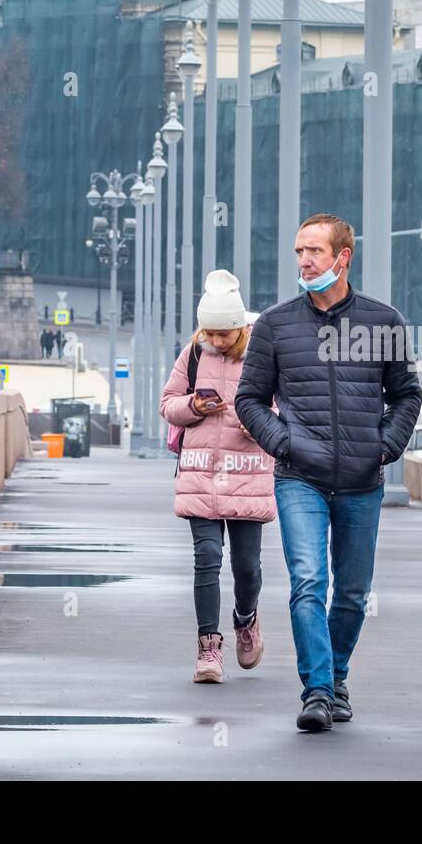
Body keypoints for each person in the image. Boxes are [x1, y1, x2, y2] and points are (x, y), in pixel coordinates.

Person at [236, 213, 422, 733]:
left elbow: (407, 395)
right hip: (300, 476)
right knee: (309, 581)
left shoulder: (382, 322)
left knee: (354, 592)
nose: (304, 261)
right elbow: (248, 399)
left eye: (314, 251)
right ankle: (317, 690)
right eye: (298, 251)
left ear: (343, 257)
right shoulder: (275, 324)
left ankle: (337, 675)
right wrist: (282, 442)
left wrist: (384, 446)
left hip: (363, 479)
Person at [160, 270, 276, 683]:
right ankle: (209, 646)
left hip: (247, 474)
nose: (216, 341)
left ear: (239, 328)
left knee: (247, 567)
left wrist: (258, 422)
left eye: (223, 334)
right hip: (200, 475)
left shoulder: (264, 351)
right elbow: (168, 404)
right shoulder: (193, 353)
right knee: (206, 560)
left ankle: (246, 618)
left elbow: (286, 407)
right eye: (209, 333)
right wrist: (194, 405)